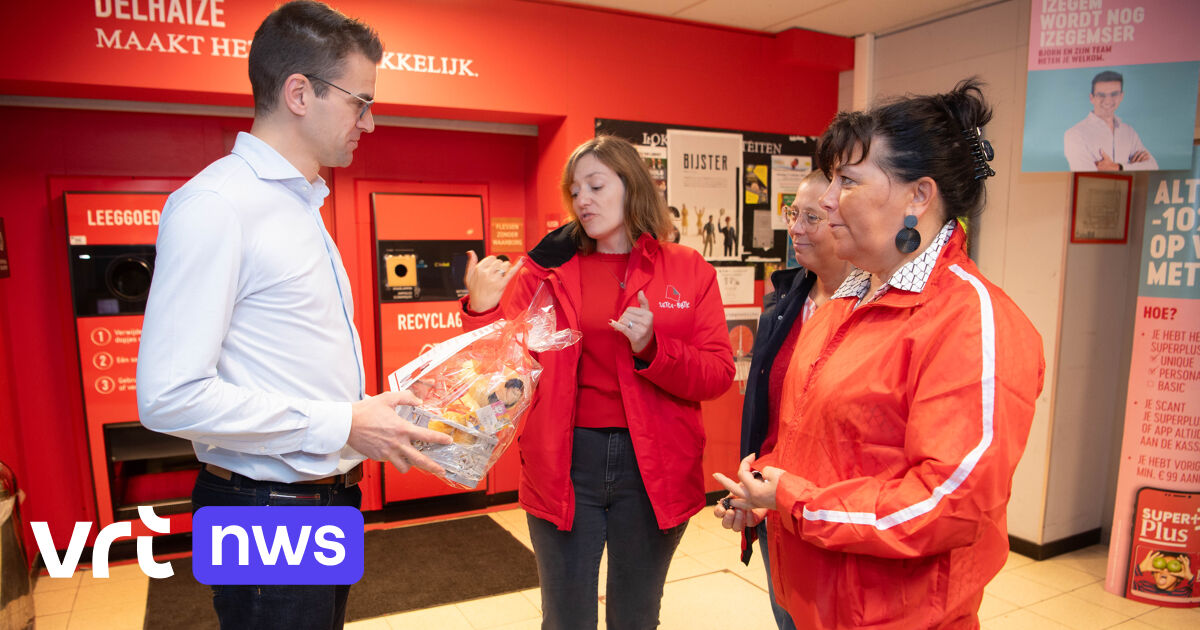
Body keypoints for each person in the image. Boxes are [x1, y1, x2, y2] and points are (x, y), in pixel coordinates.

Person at [136, 2, 452, 628]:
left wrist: (373, 416)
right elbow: (167, 397)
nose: (370, 120)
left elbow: (287, 364)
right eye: (360, 100)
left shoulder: (300, 205)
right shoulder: (217, 205)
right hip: (261, 508)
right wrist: (340, 423)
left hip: (318, 503)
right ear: (299, 92)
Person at [715, 78, 1045, 629]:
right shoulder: (849, 296)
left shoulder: (972, 320)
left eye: (847, 181)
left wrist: (793, 501)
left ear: (919, 195)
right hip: (813, 600)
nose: (824, 200)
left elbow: (948, 504)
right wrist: (765, 484)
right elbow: (827, 442)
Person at [461, 135, 734, 629]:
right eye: (575, 190)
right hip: (564, 463)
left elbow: (717, 373)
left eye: (596, 185)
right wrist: (480, 311)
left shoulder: (687, 268)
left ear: (632, 188)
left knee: (635, 618)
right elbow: (495, 370)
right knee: (565, 620)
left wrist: (654, 348)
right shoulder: (546, 272)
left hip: (653, 467)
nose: (582, 200)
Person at [714, 170, 852, 630]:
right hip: (777, 508)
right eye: (794, 213)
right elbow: (766, 417)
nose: (794, 228)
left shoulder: (870, 312)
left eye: (812, 217)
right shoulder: (783, 302)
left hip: (837, 515)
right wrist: (751, 485)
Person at [1064, 70, 1158, 171]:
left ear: (1121, 96)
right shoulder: (1075, 134)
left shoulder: (1129, 132)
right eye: (1101, 95)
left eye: (1114, 94)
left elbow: (1153, 167)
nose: (1108, 100)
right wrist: (1132, 168)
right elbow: (1087, 178)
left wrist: (1119, 167)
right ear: (1092, 98)